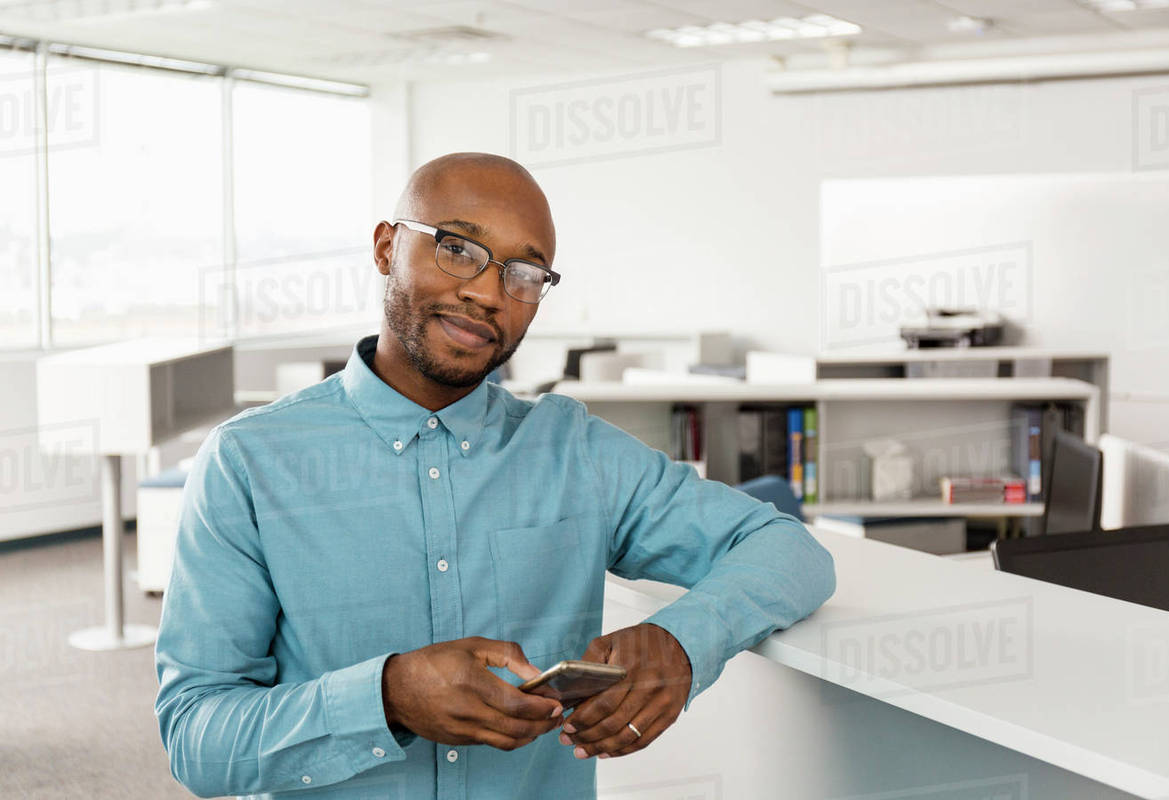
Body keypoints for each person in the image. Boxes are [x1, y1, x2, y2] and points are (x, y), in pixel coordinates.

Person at [154, 152, 836, 799]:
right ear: (387, 247)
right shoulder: (251, 462)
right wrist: (388, 698)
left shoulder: (576, 451)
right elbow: (197, 739)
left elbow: (791, 550)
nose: (487, 292)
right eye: (457, 248)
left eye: (524, 273)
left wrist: (683, 641)